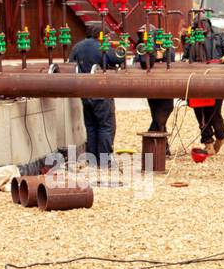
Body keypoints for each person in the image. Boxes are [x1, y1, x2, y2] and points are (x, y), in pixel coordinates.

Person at [67, 21, 123, 164]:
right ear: (100, 34)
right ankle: (104, 160)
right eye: (107, 35)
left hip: (84, 92)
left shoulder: (77, 47)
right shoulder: (102, 46)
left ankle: (92, 159)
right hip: (101, 91)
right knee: (105, 126)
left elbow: (70, 64)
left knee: (91, 126)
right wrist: (122, 48)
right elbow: (117, 58)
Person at [183, 14, 224, 154]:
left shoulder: (219, 34)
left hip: (215, 78)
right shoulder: (192, 36)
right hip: (195, 79)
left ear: (208, 23)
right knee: (199, 112)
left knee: (214, 112)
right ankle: (207, 142)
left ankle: (220, 136)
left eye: (203, 25)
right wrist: (184, 60)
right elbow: (186, 54)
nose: (200, 28)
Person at [136, 25, 175, 157]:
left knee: (161, 114)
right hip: (151, 86)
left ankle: (157, 145)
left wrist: (162, 54)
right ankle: (160, 149)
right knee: (158, 118)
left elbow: (172, 57)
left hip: (166, 84)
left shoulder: (163, 43)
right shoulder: (141, 46)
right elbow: (140, 62)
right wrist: (151, 54)